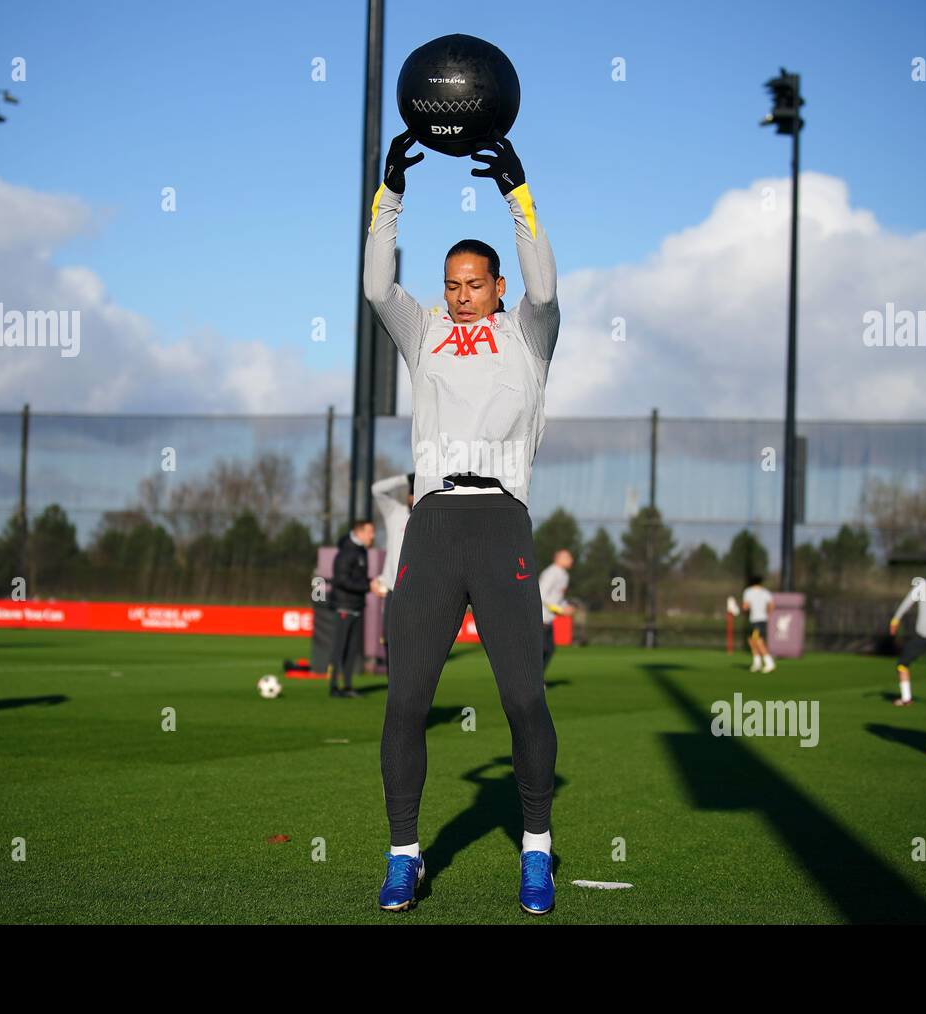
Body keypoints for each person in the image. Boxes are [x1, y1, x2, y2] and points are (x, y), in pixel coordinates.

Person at [364, 128, 560, 914]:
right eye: (450, 284)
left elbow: (546, 289)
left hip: (502, 525)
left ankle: (537, 853)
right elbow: (380, 289)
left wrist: (520, 196)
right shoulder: (428, 334)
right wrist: (390, 198)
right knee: (407, 699)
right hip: (435, 524)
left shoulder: (529, 336)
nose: (459, 295)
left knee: (523, 699)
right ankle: (404, 855)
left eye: (473, 283)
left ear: (497, 284)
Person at [325, 519, 383, 699]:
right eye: (369, 532)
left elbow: (357, 578)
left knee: (352, 650)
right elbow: (341, 580)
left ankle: (348, 686)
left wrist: (370, 583)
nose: (372, 535)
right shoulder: (346, 552)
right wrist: (368, 586)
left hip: (357, 606)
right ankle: (334, 687)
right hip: (344, 606)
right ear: (359, 532)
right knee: (340, 648)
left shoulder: (361, 551)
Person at [370, 472, 415, 656]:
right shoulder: (395, 513)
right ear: (408, 496)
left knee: (414, 640)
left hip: (417, 589)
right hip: (393, 587)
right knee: (390, 639)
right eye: (411, 494)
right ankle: (394, 685)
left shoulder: (431, 516)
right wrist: (405, 479)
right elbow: (376, 490)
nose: (413, 498)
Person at [888, 567, 926, 706]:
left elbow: (907, 603)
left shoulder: (923, 585)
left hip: (924, 634)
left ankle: (906, 698)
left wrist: (895, 620)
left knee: (902, 664)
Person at [538, 549, 576, 675]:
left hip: (548, 619)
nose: (571, 559)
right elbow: (541, 595)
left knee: (549, 650)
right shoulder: (551, 573)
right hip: (540, 618)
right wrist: (560, 610)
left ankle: (536, 680)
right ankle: (532, 682)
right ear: (558, 558)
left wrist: (566, 606)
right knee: (541, 651)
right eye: (568, 557)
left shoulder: (564, 575)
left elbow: (557, 597)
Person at [741, 575, 775, 673]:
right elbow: (772, 605)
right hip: (761, 620)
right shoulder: (766, 592)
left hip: (756, 620)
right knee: (751, 640)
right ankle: (757, 663)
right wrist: (767, 614)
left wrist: (742, 609)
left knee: (758, 641)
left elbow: (745, 606)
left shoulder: (748, 592)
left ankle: (769, 663)